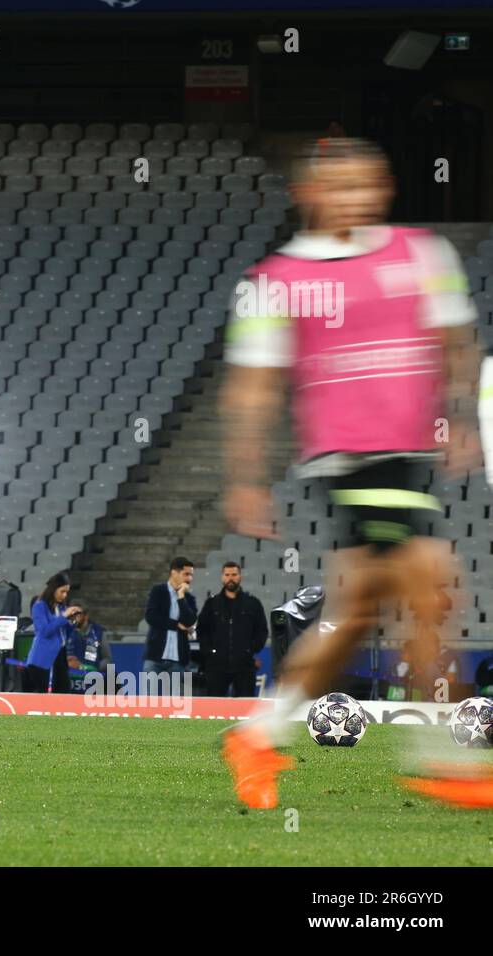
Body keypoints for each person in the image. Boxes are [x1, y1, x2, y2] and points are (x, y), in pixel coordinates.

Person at [219, 136, 484, 809]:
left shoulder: (424, 254)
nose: (357, 198)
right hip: (350, 456)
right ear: (307, 194)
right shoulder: (276, 281)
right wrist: (246, 476)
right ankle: (450, 759)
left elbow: (458, 341)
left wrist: (462, 417)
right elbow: (251, 385)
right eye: (340, 186)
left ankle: (257, 736)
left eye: (368, 184)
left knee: (360, 610)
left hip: (409, 454)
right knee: (430, 580)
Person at [196, 562, 268, 697]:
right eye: (227, 575)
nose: (230, 578)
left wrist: (249, 650)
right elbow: (202, 631)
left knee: (245, 708)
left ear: (240, 577)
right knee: (214, 708)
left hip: (244, 666)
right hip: (216, 666)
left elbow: (262, 631)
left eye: (234, 574)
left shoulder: (253, 603)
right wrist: (210, 652)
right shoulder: (212, 604)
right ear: (222, 577)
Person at [23, 572, 80, 692]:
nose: (65, 595)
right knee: (43, 694)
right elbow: (44, 631)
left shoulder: (61, 608)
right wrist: (64, 616)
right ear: (53, 589)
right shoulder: (39, 606)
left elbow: (64, 635)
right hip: (43, 657)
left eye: (67, 592)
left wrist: (73, 622)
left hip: (60, 655)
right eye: (62, 591)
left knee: (64, 692)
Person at [143, 557, 197, 680]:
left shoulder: (189, 598)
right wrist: (176, 625)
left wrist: (181, 596)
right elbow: (151, 616)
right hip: (155, 656)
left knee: (176, 699)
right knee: (149, 699)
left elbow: (189, 621)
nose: (189, 578)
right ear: (174, 573)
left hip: (178, 659)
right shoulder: (158, 591)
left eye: (191, 575)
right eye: (186, 574)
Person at [58, 603, 110, 693]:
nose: (73, 618)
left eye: (77, 615)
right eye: (71, 614)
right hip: (69, 680)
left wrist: (86, 667)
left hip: (92, 680)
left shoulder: (98, 632)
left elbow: (107, 660)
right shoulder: (62, 631)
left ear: (86, 616)